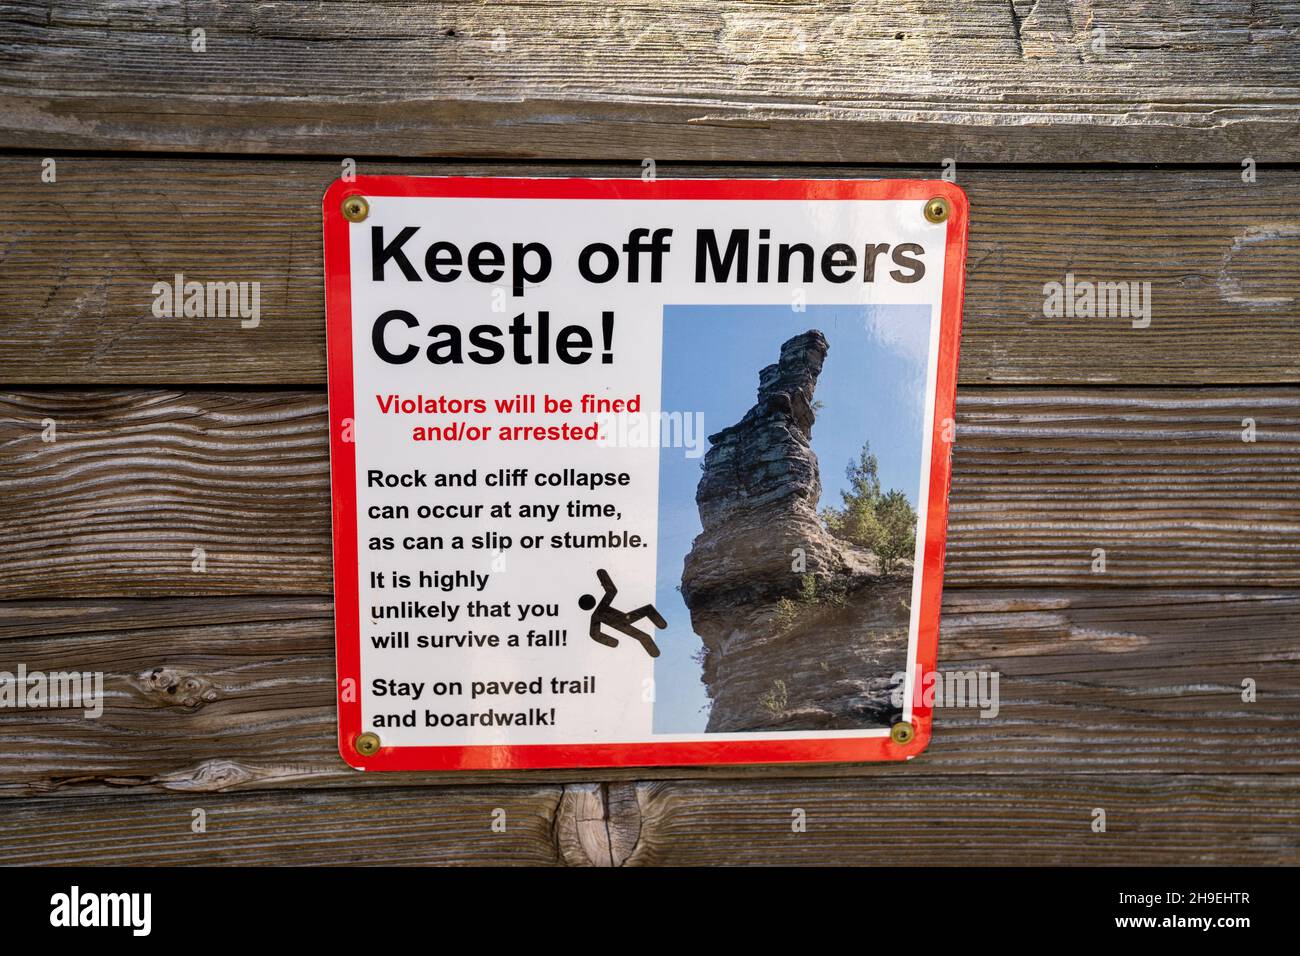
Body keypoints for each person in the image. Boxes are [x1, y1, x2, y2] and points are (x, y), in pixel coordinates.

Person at [578, 568, 666, 658]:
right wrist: (602, 576)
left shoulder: (595, 615)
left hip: (622, 622)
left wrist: (612, 641)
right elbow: (612, 591)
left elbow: (595, 634)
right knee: (645, 620)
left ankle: (657, 625)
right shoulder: (600, 607)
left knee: (643, 634)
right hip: (623, 621)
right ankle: (657, 626)